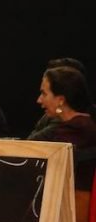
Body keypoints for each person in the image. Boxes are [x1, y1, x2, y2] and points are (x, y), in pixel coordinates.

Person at [28, 66, 96, 201]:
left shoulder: (77, 130)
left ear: (60, 100)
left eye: (44, 93)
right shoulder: (79, 125)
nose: (39, 100)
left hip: (76, 206)